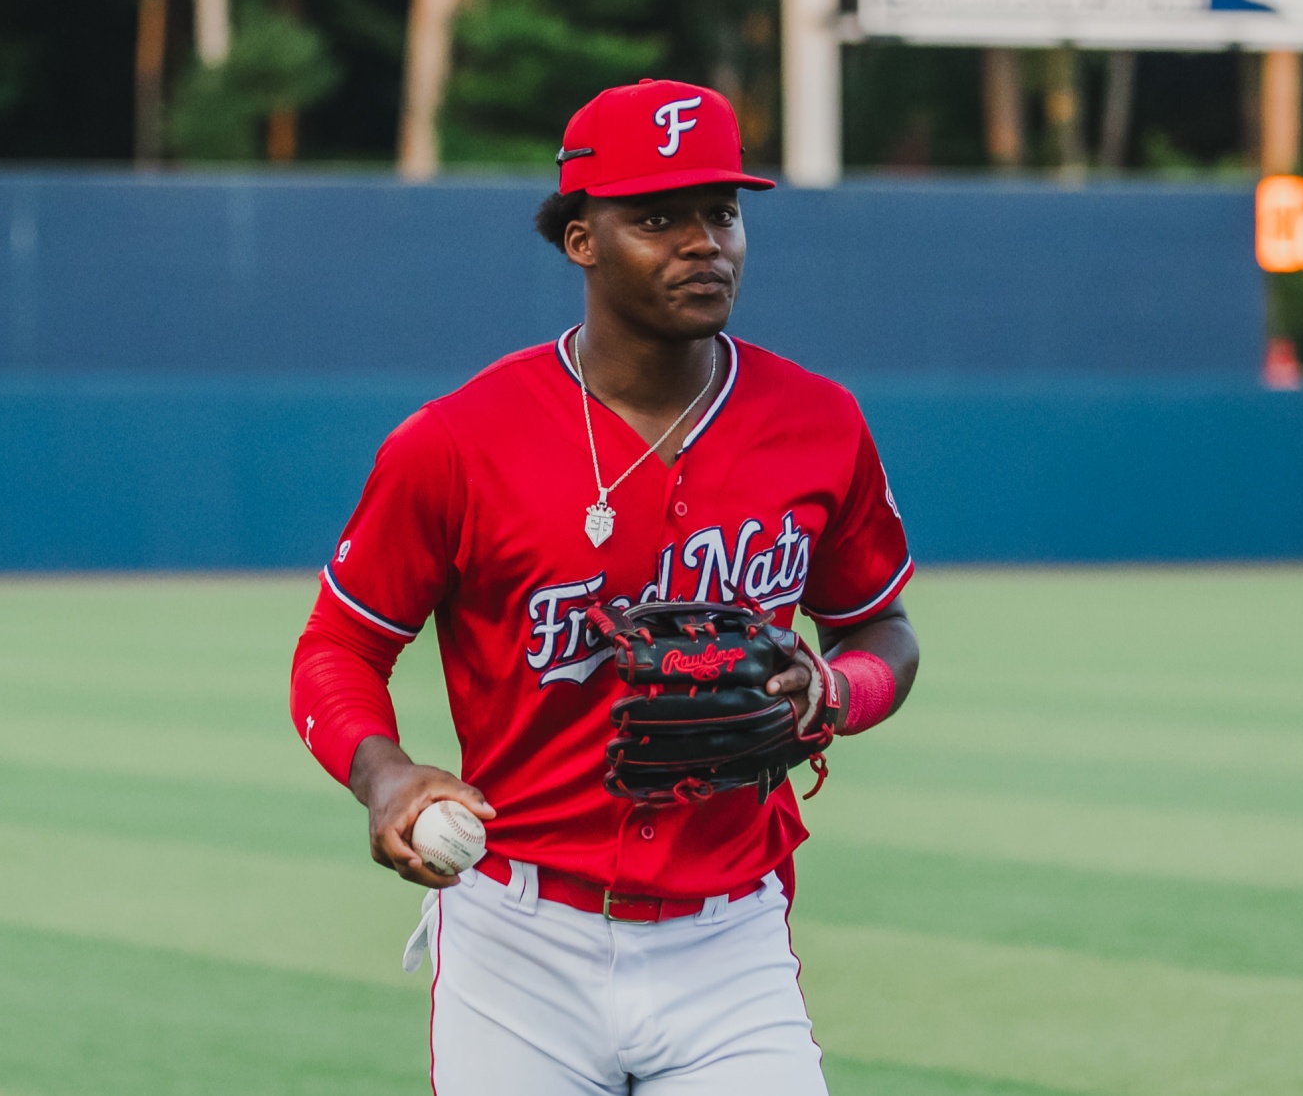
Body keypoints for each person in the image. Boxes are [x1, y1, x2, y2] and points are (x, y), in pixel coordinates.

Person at [289, 78, 921, 1093]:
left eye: (721, 212)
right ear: (581, 238)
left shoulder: (820, 424)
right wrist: (388, 778)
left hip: (730, 938)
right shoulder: (455, 444)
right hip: (517, 940)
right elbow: (338, 649)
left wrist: (841, 691)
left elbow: (882, 629)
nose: (703, 243)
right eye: (658, 217)